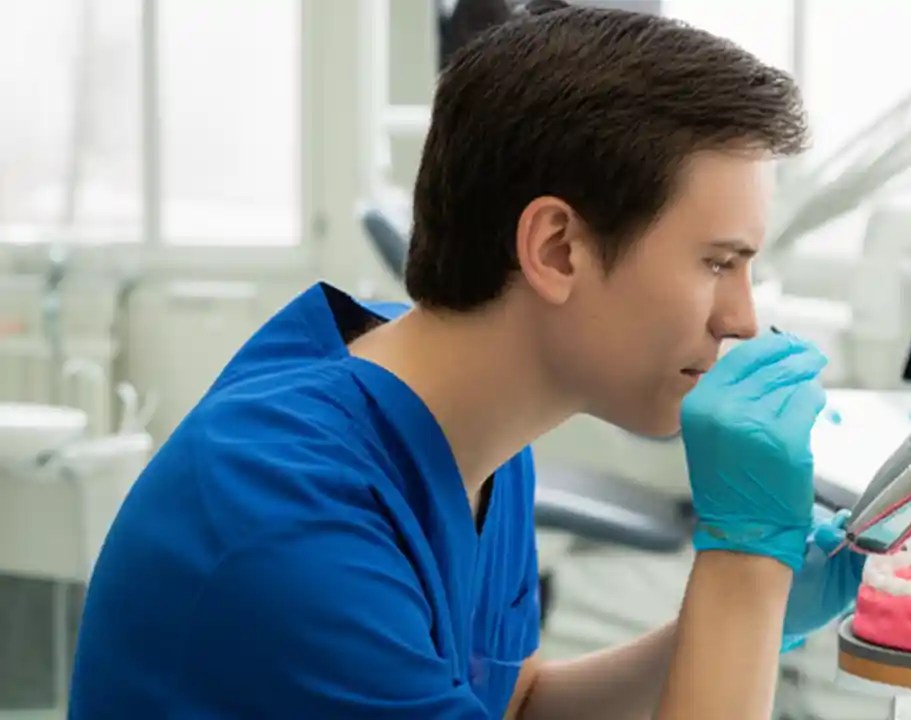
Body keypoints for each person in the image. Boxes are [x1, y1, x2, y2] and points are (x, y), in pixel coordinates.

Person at [69, 3, 866, 718]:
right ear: (557, 249)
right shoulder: (287, 516)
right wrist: (743, 578)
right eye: (717, 262)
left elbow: (513, 706)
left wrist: (744, 621)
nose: (743, 318)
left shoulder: (471, 425)